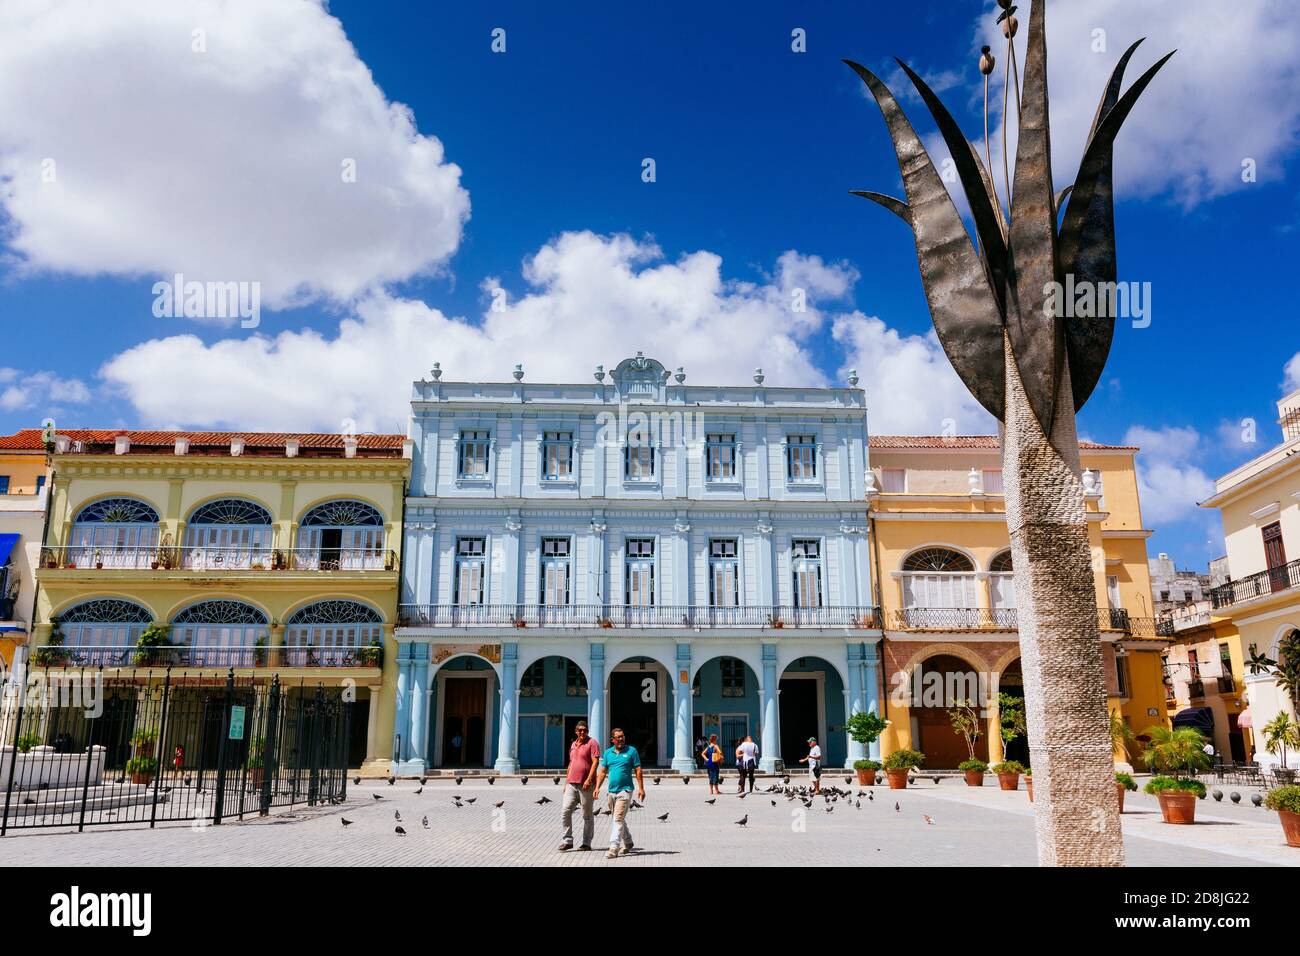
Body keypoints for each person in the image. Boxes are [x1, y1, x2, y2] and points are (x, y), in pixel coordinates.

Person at [593, 727, 645, 859]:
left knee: (617, 819)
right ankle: (628, 841)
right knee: (619, 818)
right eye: (618, 737)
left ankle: (614, 847)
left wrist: (641, 788)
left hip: (625, 790)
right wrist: (597, 787)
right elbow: (603, 771)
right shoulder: (608, 753)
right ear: (613, 740)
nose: (621, 739)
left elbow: (638, 770)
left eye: (622, 736)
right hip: (611, 792)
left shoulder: (632, 751)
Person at [558, 720, 601, 852]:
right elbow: (571, 764)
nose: (582, 732)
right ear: (576, 731)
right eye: (580, 730)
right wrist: (566, 782)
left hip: (586, 785)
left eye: (585, 730)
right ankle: (568, 840)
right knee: (565, 811)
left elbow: (595, 761)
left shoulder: (592, 743)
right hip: (572, 784)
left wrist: (589, 779)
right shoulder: (573, 744)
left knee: (587, 815)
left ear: (587, 731)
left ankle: (586, 843)